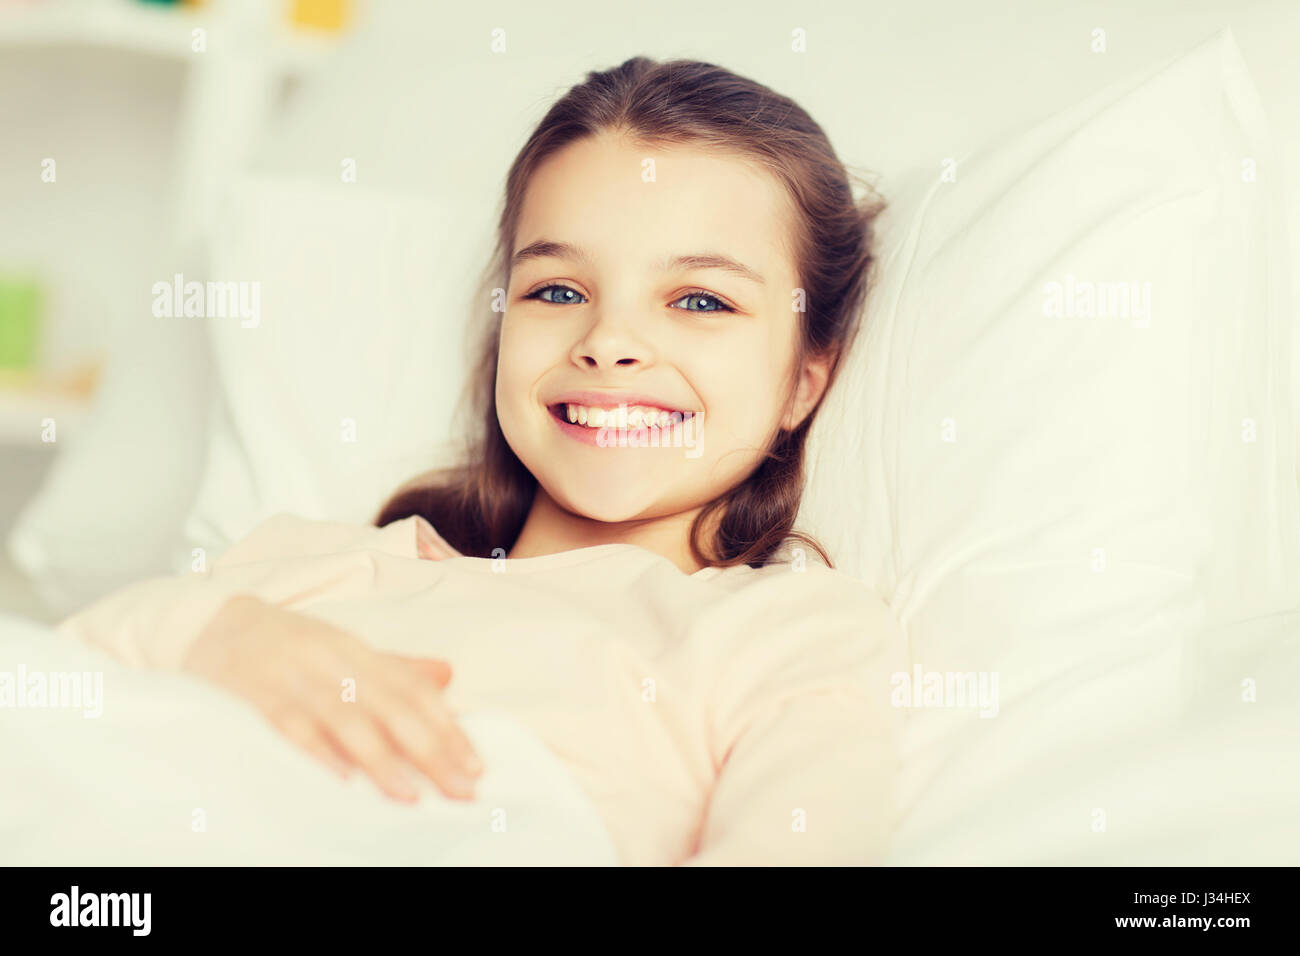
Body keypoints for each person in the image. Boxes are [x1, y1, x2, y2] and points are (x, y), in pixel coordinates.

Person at [58, 56, 906, 866]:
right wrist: (211, 631)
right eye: (559, 291)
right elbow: (49, 704)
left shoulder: (783, 633)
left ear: (802, 381)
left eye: (699, 300)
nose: (608, 342)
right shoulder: (302, 565)